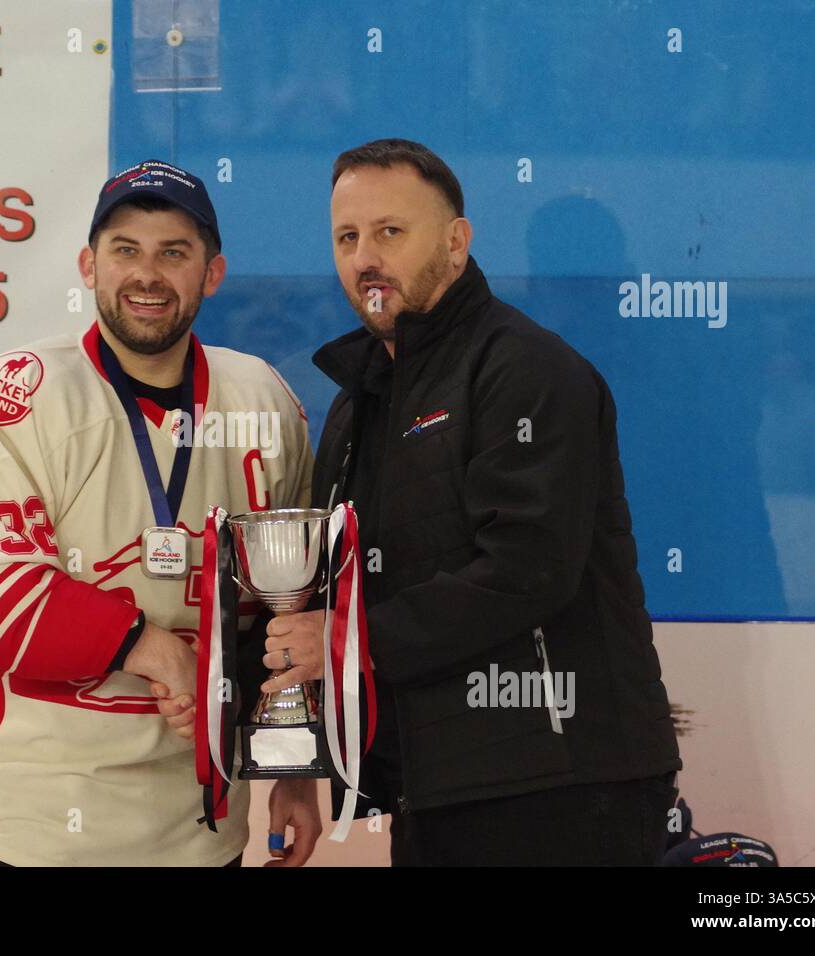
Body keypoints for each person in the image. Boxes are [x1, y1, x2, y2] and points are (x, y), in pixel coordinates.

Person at [263, 139, 682, 865]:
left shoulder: (527, 369)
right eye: (348, 236)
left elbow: (528, 568)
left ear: (456, 243)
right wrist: (297, 765)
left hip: (563, 788)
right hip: (436, 790)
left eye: (391, 231)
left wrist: (343, 643)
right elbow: (317, 602)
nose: (366, 256)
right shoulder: (357, 403)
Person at [0, 159, 319, 866]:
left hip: (199, 831)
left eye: (174, 252)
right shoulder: (17, 395)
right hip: (24, 826)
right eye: (125, 250)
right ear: (88, 264)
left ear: (213, 273)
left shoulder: (262, 402)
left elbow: (289, 611)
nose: (148, 274)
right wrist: (157, 648)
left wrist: (291, 767)